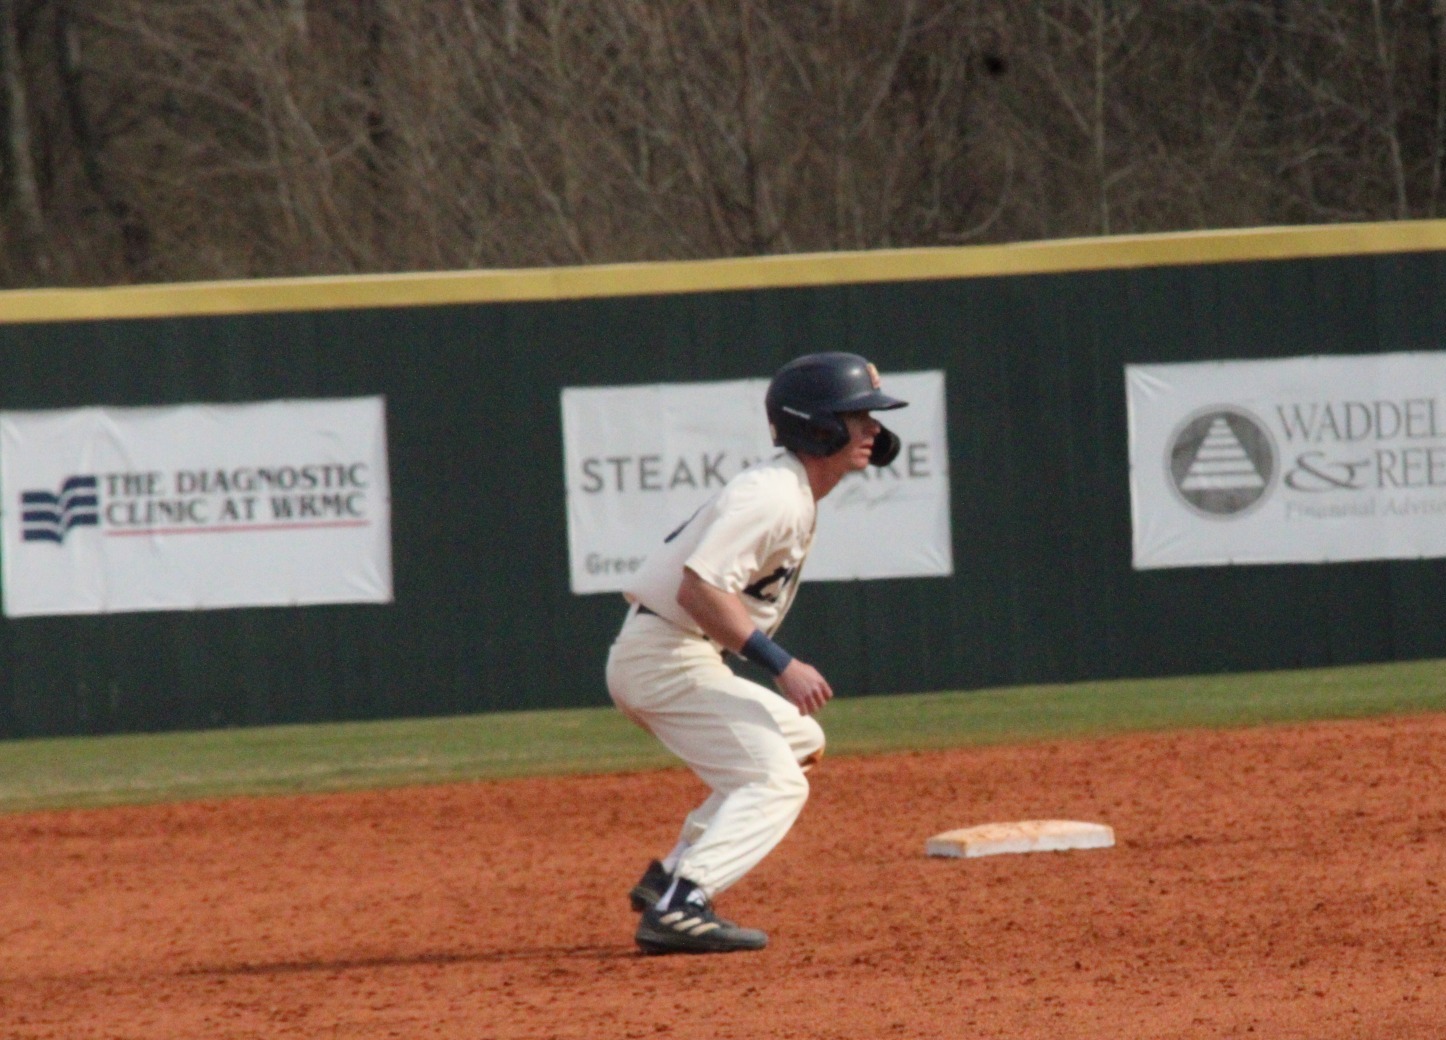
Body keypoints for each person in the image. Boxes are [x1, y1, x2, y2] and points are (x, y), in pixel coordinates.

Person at [605, 351, 908, 954]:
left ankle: (672, 874)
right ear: (819, 427)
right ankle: (682, 902)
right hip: (662, 657)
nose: (873, 429)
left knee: (799, 741)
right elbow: (699, 589)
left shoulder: (791, 490)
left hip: (676, 651)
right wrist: (782, 665)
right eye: (858, 417)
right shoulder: (773, 495)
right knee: (776, 783)